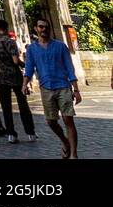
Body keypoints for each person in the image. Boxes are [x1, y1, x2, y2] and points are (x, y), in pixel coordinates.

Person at [23, 18, 81, 158]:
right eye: (41, 27)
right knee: (51, 121)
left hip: (63, 86)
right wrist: (25, 83)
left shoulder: (60, 46)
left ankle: (73, 154)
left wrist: (76, 89)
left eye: (46, 27)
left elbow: (69, 67)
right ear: (36, 29)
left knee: (68, 120)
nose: (44, 30)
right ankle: (65, 142)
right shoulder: (32, 49)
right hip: (46, 88)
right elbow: (29, 68)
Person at [0, 19, 35, 143]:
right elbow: (15, 61)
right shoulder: (10, 42)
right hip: (14, 75)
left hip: (0, 77)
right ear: (6, 28)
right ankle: (30, 132)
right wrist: (25, 66)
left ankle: (11, 134)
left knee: (6, 106)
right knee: (23, 104)